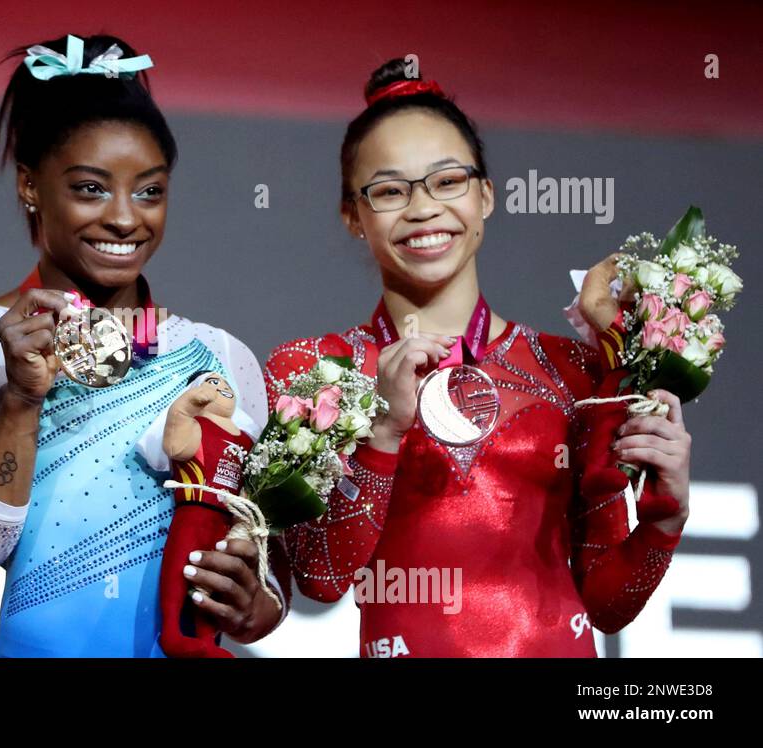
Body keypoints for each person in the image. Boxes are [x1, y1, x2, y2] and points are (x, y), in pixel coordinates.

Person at [263, 59, 691, 657]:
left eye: (447, 181)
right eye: (389, 191)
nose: (423, 209)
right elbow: (322, 578)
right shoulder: (315, 371)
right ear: (352, 216)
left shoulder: (574, 369)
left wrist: (664, 521)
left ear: (485, 195)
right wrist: (382, 434)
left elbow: (606, 604)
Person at [0, 34, 282, 657]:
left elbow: (269, 580)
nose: (124, 218)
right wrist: (22, 401)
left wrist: (254, 604)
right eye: (89, 188)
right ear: (30, 185)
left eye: (149, 191)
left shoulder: (220, 357)